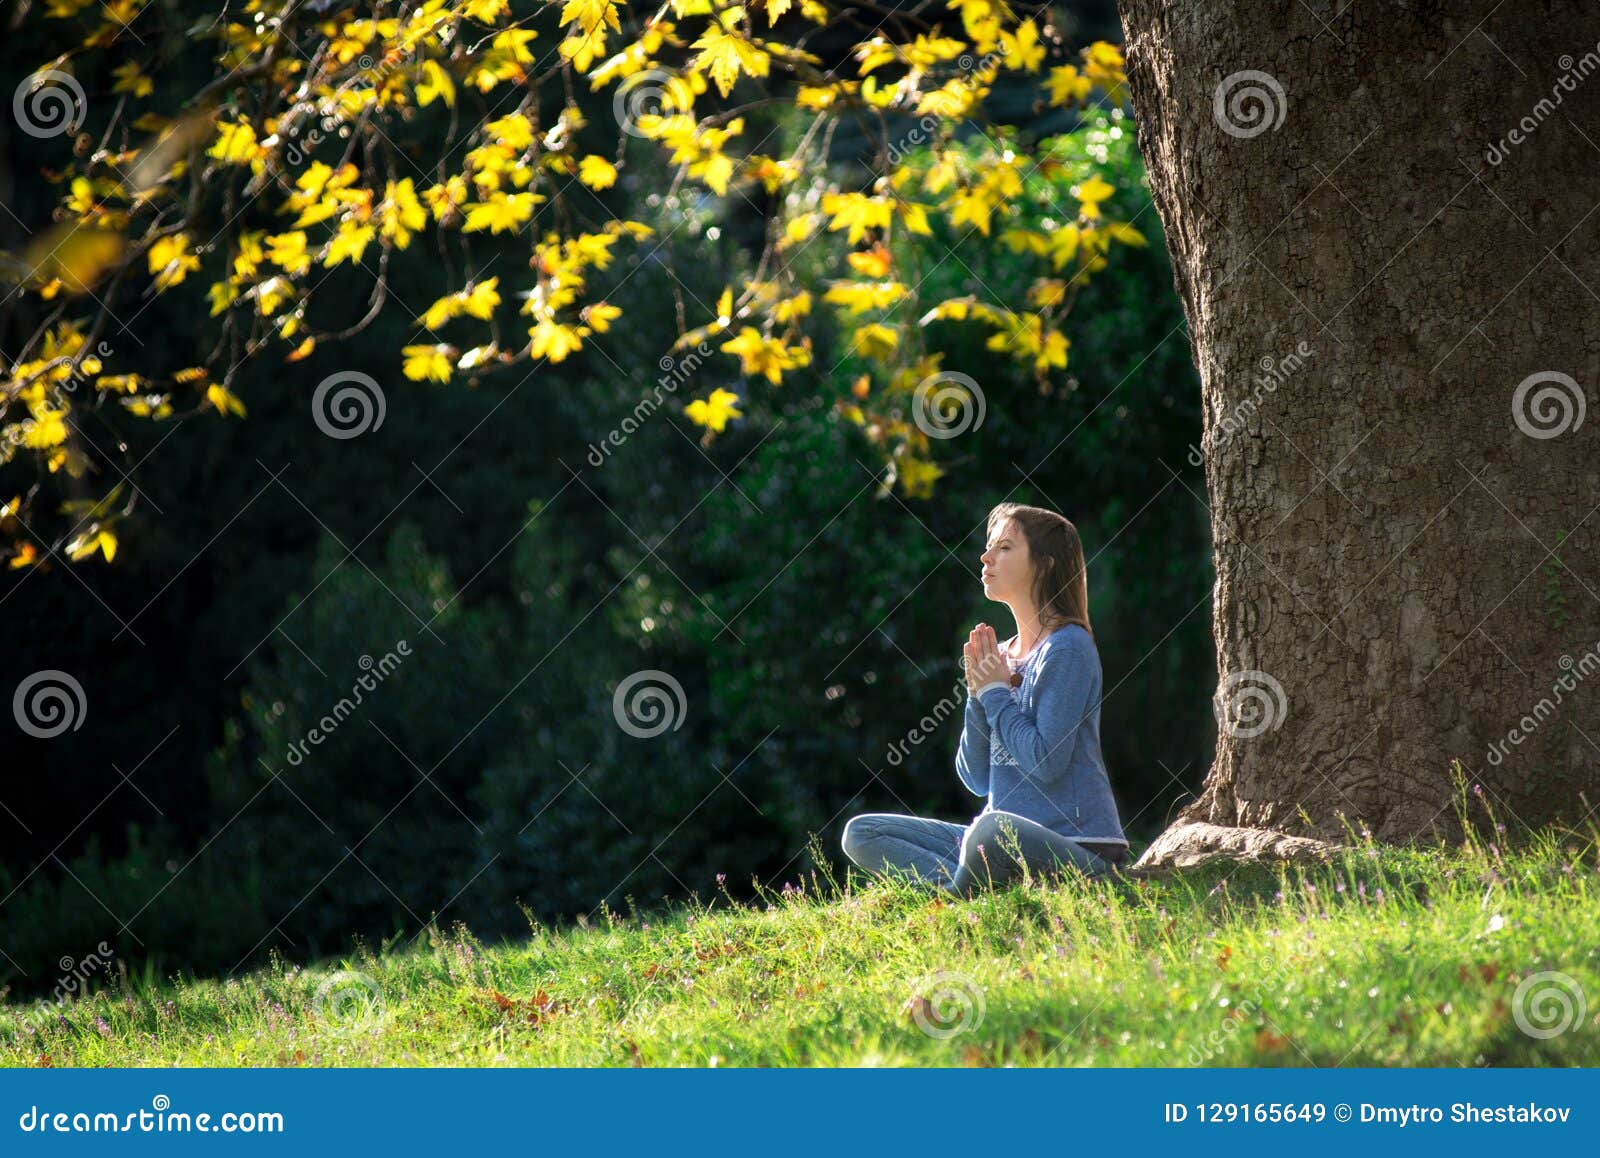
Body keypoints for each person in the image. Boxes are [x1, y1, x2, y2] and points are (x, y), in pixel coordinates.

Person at [841, 502, 1130, 894]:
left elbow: (1046, 762)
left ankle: (960, 899)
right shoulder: (1003, 655)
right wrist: (979, 693)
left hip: (1081, 850)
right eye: (989, 545)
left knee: (990, 829)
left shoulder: (1068, 648)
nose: (986, 556)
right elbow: (976, 778)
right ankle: (963, 893)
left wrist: (995, 691)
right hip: (1002, 842)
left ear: (1045, 565)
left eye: (1005, 547)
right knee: (862, 833)